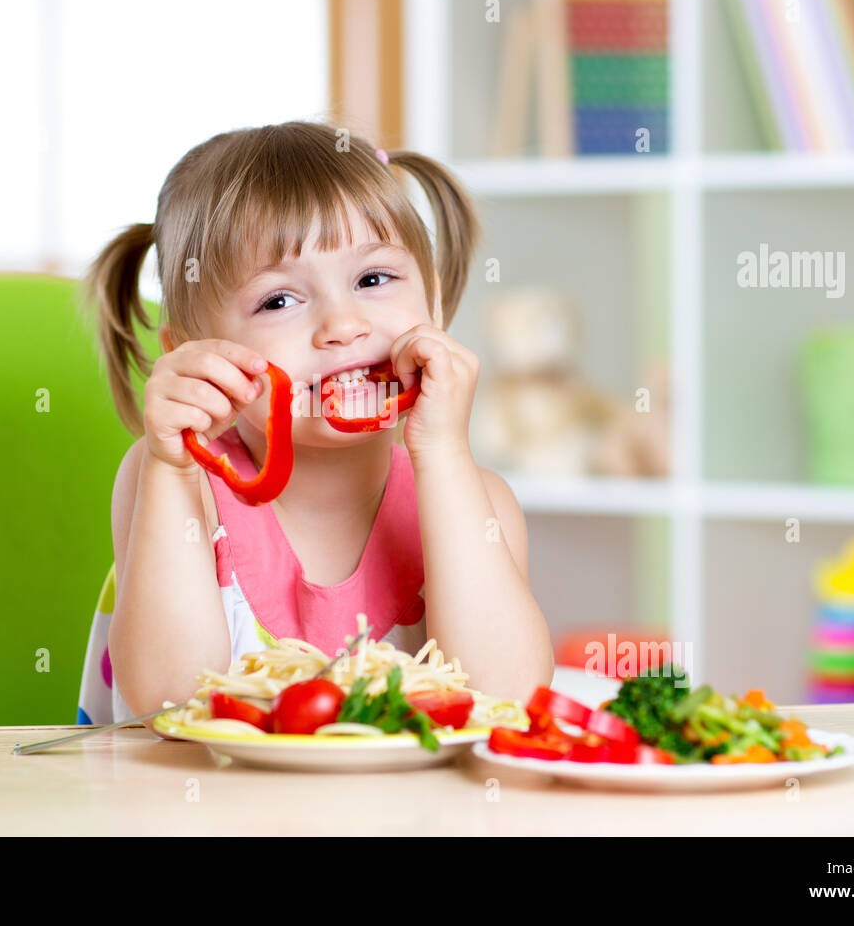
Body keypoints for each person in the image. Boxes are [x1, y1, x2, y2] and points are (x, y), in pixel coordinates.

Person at [83, 120, 552, 719]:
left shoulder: (478, 498)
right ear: (194, 352)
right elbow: (169, 701)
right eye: (278, 300)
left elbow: (505, 697)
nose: (343, 325)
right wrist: (171, 467)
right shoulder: (183, 484)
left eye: (373, 279)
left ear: (432, 303)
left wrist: (444, 455)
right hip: (210, 811)